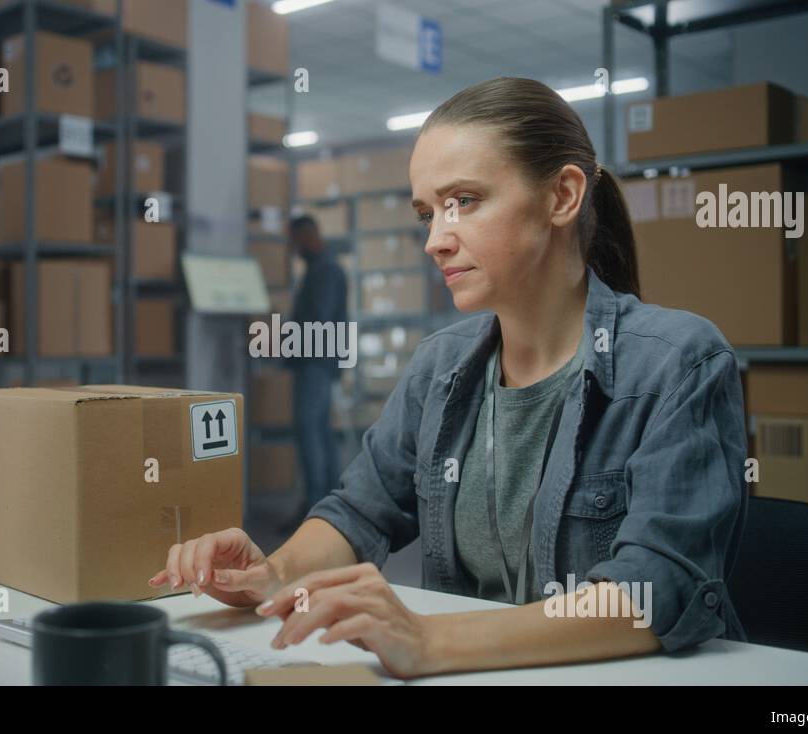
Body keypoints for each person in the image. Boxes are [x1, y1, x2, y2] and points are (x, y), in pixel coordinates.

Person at [149, 77, 748, 679]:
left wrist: (430, 641)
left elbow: (653, 591)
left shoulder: (679, 362)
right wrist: (273, 574)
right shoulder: (441, 366)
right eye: (427, 213)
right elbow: (359, 511)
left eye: (464, 200)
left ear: (562, 196)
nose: (435, 240)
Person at [284, 215, 348, 526]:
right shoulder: (324, 268)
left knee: (311, 433)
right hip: (321, 363)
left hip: (315, 364)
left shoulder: (323, 271)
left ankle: (315, 511)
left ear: (307, 236)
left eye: (295, 241)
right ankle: (328, 507)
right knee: (320, 432)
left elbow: (317, 322)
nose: (293, 248)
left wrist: (284, 341)